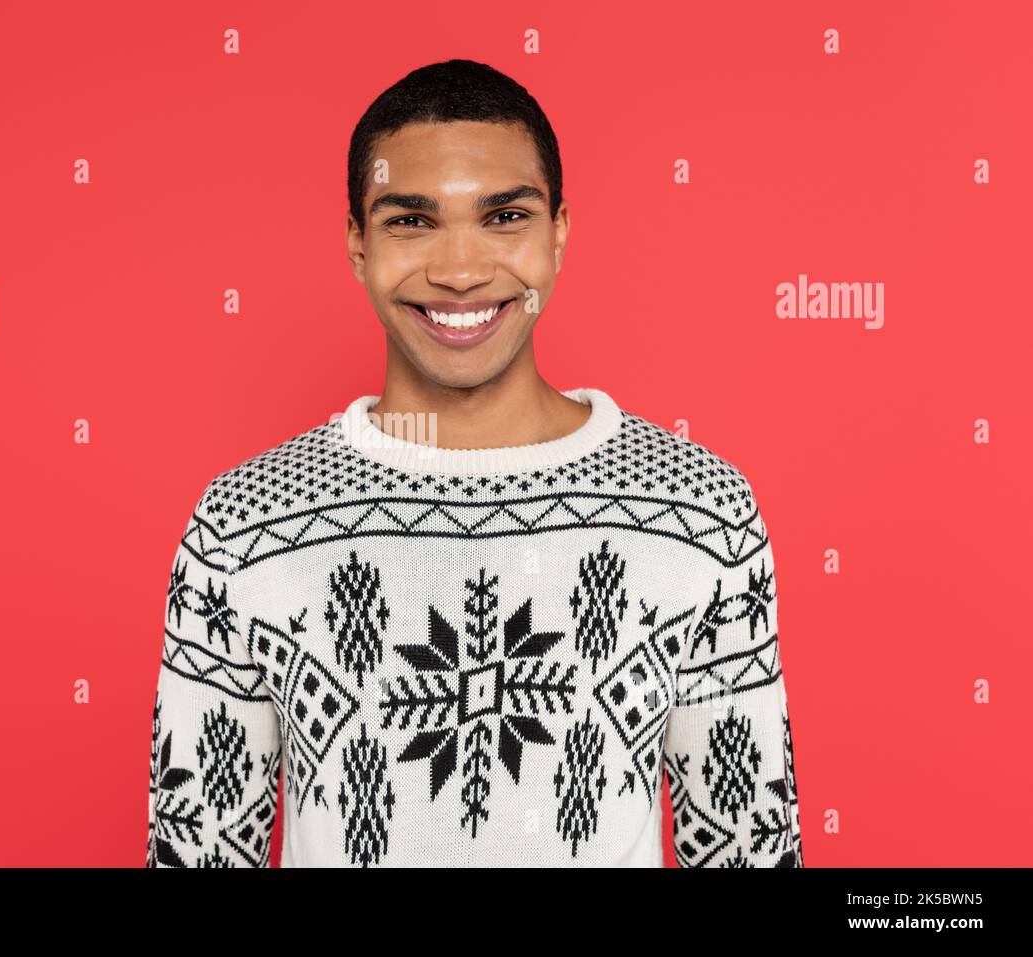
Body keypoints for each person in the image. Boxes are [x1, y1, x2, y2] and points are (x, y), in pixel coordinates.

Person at [147, 58, 802, 868]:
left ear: (558, 232)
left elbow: (752, 851)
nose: (460, 271)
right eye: (411, 221)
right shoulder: (242, 529)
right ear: (357, 243)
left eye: (504, 217)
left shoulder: (703, 515)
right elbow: (197, 851)